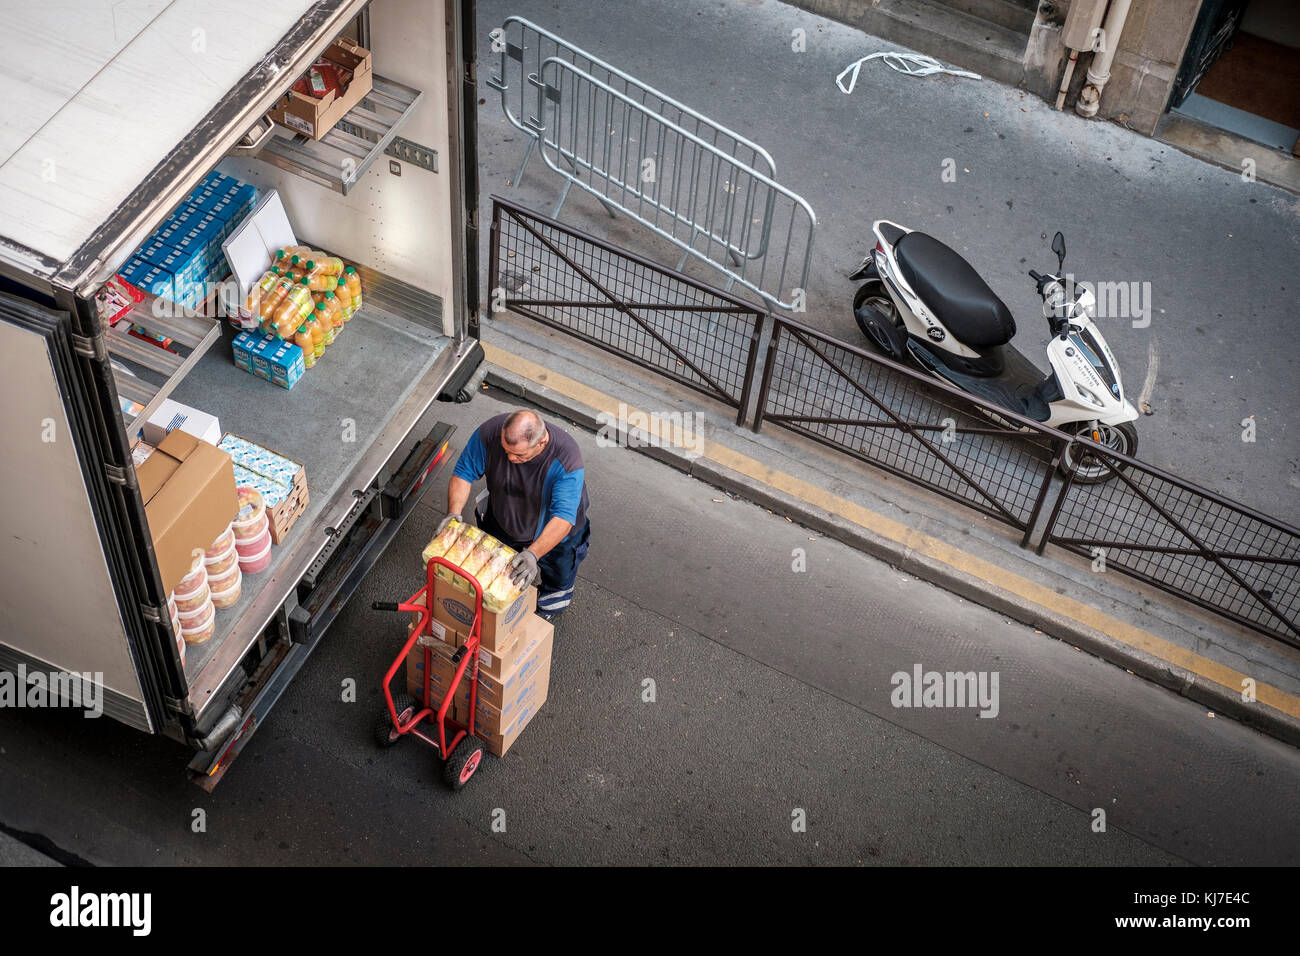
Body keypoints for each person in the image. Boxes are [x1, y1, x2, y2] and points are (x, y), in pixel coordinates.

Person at [438, 409, 590, 621]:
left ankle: (547, 609)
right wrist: (453, 513)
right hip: (503, 520)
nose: (509, 458)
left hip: (553, 535)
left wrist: (533, 554)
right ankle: (500, 609)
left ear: (542, 443)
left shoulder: (566, 458)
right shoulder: (489, 433)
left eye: (519, 455)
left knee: (558, 576)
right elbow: (464, 473)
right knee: (497, 573)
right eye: (505, 450)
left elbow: (563, 518)